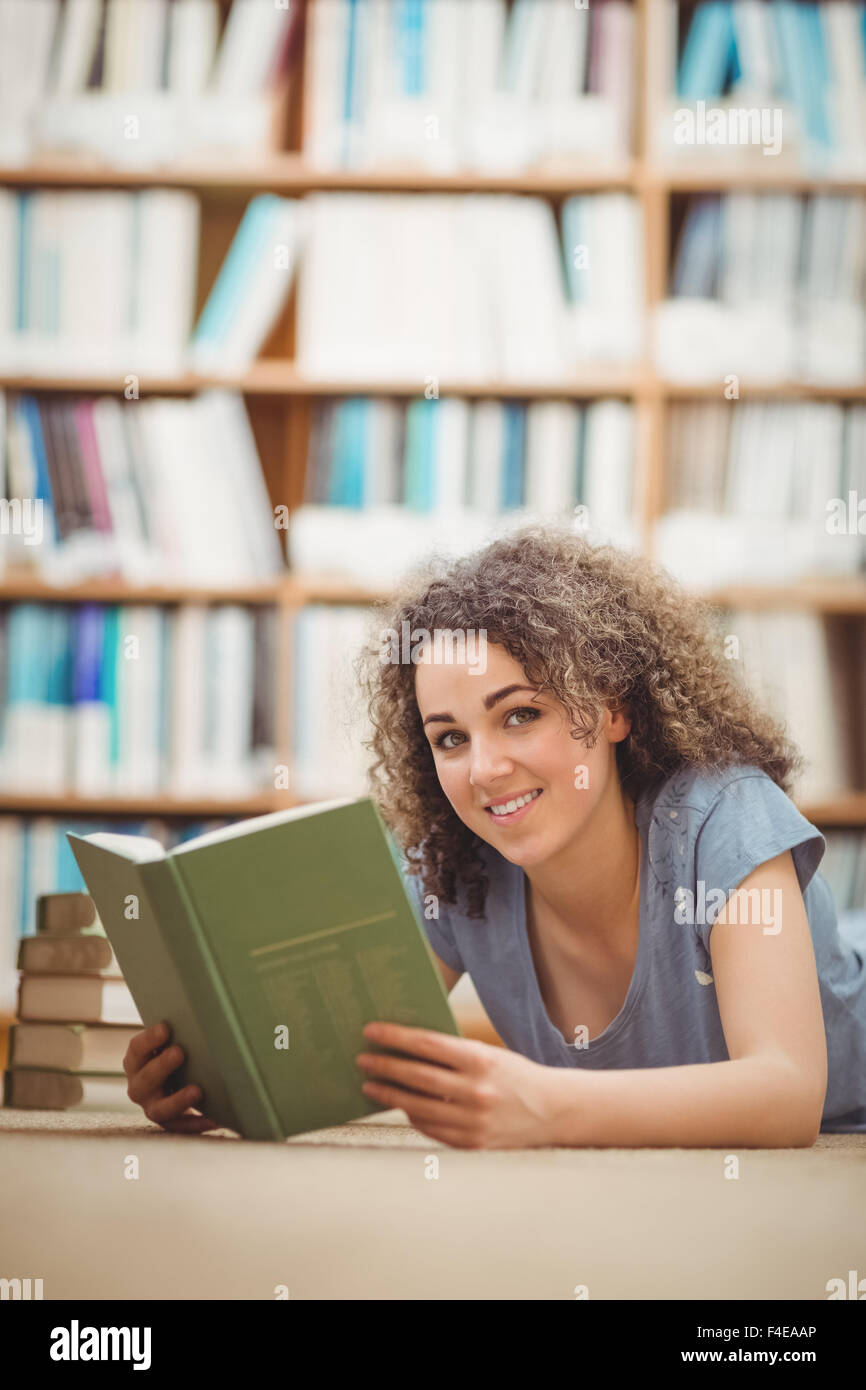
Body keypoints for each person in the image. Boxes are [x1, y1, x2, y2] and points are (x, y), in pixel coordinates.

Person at [123, 523, 866, 1147]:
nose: (484, 769)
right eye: (449, 739)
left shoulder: (722, 818)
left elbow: (790, 1093)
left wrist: (543, 1106)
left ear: (612, 710)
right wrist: (209, 1076)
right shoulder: (458, 867)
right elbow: (324, 1058)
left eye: (519, 714)